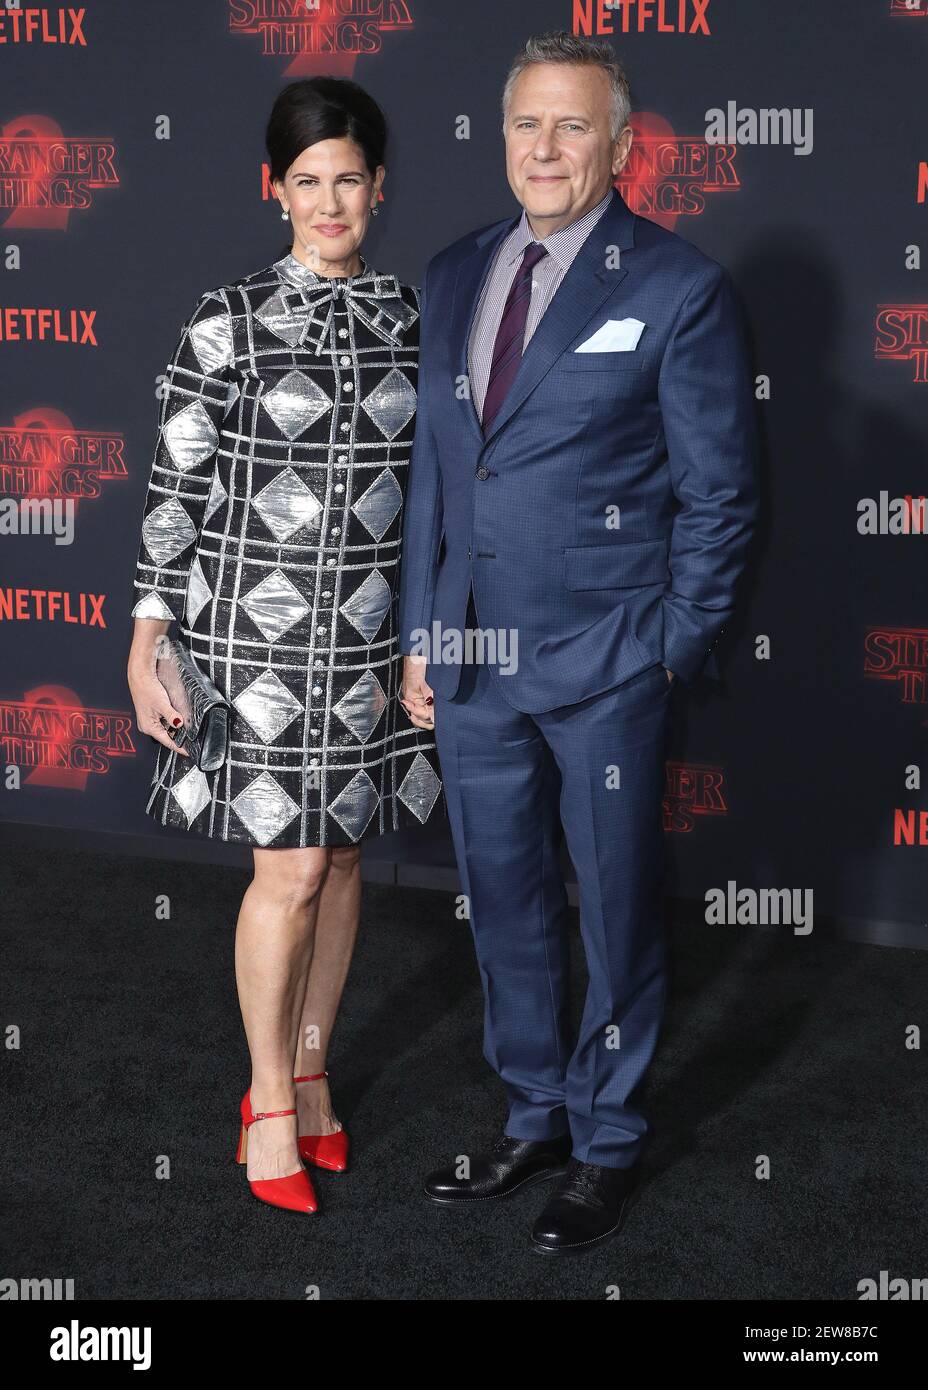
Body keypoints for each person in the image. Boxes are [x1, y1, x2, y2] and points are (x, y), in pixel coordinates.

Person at [398, 31, 758, 1255]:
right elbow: (441, 479)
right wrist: (420, 635)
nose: (543, 149)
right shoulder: (452, 273)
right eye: (524, 125)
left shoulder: (675, 286)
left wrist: (669, 644)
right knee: (501, 904)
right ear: (501, 138)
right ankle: (532, 1112)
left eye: (570, 127)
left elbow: (721, 496)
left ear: (616, 145)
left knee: (610, 912)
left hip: (609, 663)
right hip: (473, 665)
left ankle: (606, 1142)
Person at [127, 77, 444, 1215]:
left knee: (346, 855)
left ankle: (313, 1068)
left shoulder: (416, 317)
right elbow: (174, 488)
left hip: (368, 640)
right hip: (251, 642)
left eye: (347, 179)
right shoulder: (225, 318)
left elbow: (442, 491)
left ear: (377, 186)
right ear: (275, 191)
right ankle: (266, 1097)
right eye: (305, 182)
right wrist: (147, 638)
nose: (328, 200)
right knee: (292, 866)